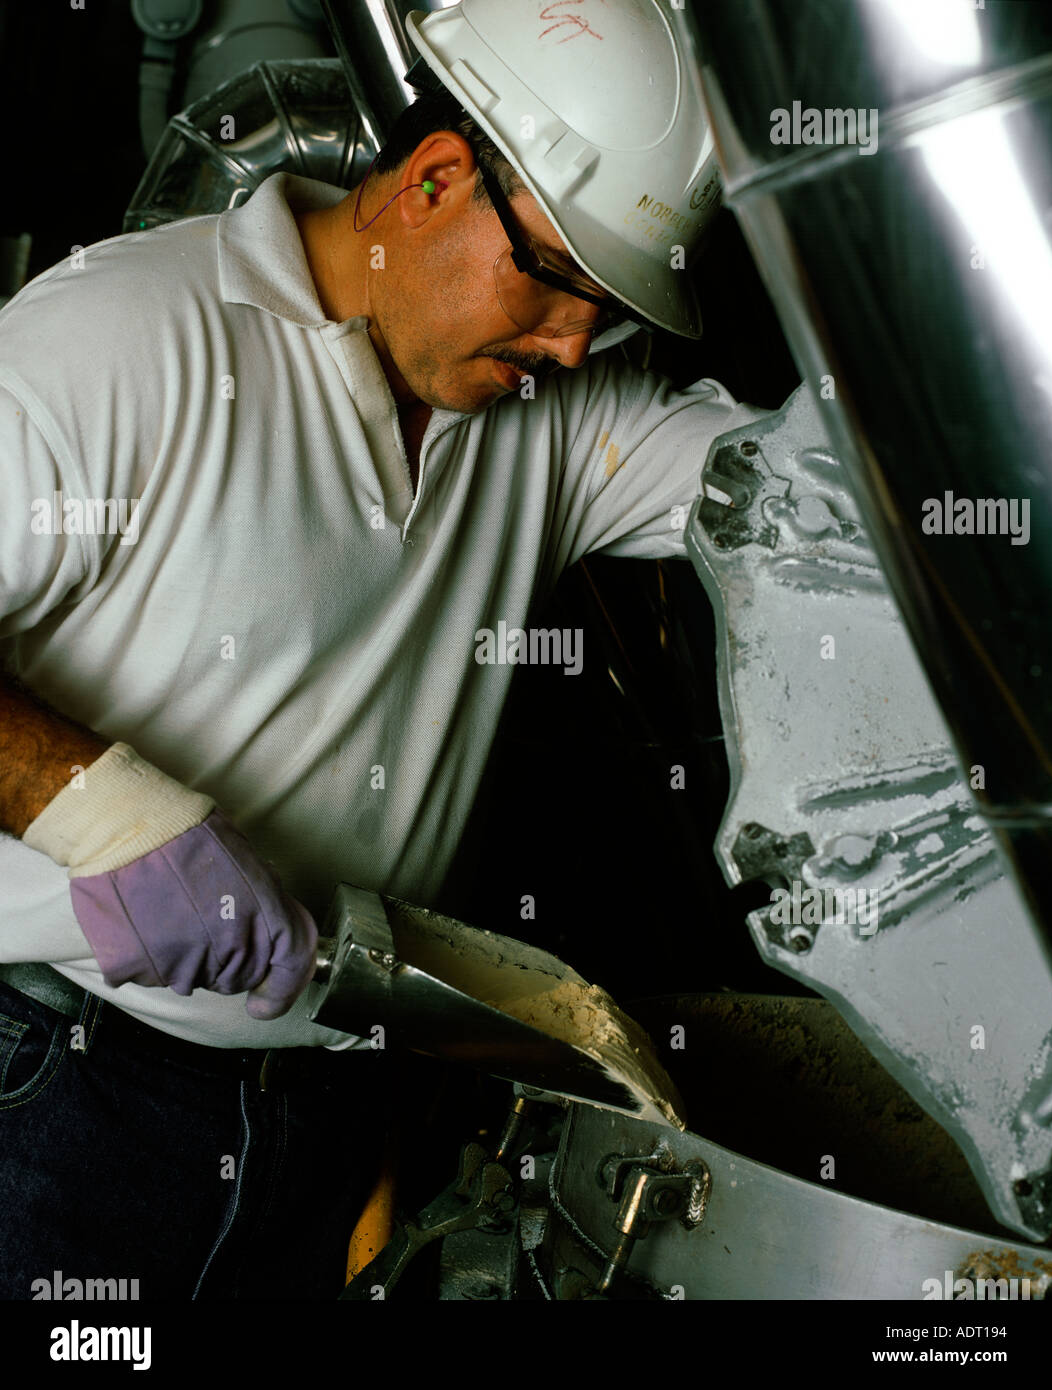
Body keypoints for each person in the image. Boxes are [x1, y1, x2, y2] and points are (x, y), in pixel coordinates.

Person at [0, 0, 764, 1299]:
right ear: (431, 180)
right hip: (63, 1088)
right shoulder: (118, 340)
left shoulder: (547, 413)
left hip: (316, 1111)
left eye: (609, 307)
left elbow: (798, 505)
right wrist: (106, 816)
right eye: (560, 276)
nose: (576, 341)